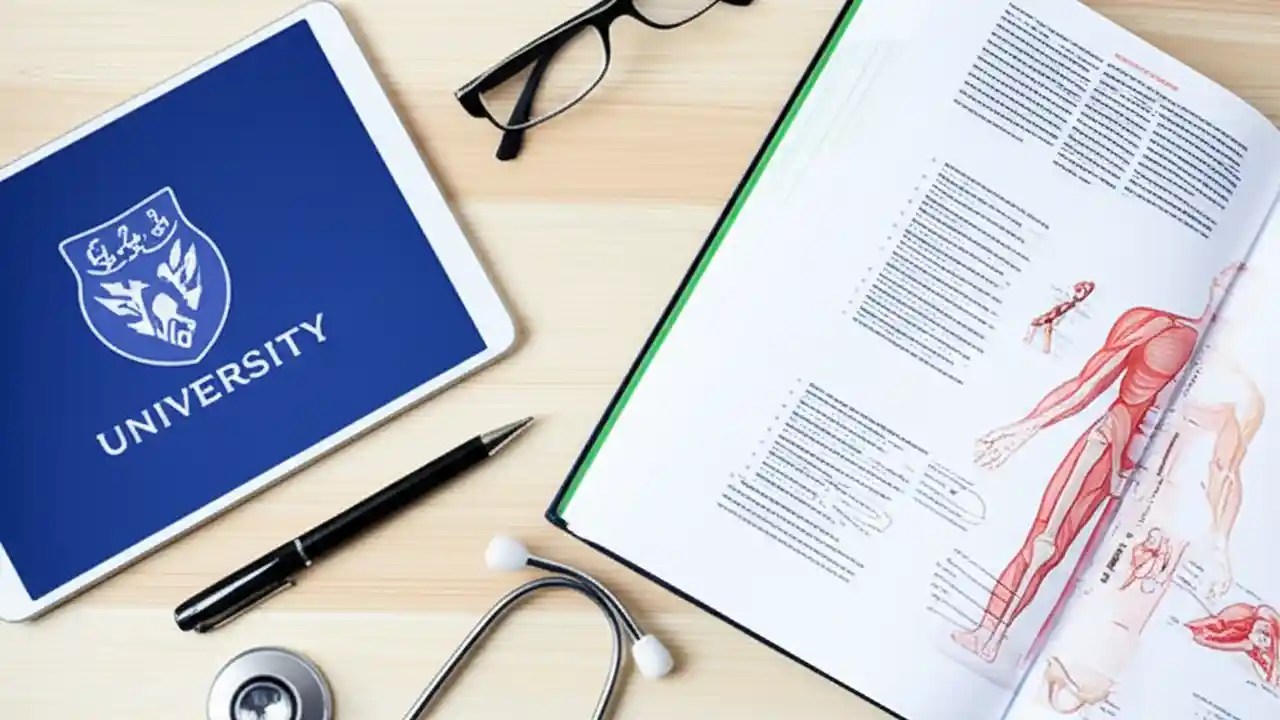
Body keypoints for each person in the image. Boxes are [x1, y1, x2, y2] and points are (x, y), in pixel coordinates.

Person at [953, 264, 1242, 664]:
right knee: (1045, 545)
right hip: (1108, 449)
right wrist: (1028, 427)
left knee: (1106, 576)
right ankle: (990, 634)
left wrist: (1221, 544)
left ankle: (1015, 649)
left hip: (1150, 482)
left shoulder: (1234, 379)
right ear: (1216, 281)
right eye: (1234, 276)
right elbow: (1090, 383)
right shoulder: (1156, 325)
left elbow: (1226, 467)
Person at [1187, 603, 1279, 687]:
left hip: (1246, 632)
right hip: (1246, 618)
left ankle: (1194, 628)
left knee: (1219, 632)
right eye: (1265, 633)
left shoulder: (1250, 645)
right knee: (1218, 624)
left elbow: (1222, 645)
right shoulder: (1262, 621)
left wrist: (1203, 640)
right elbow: (1265, 612)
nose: (1263, 636)